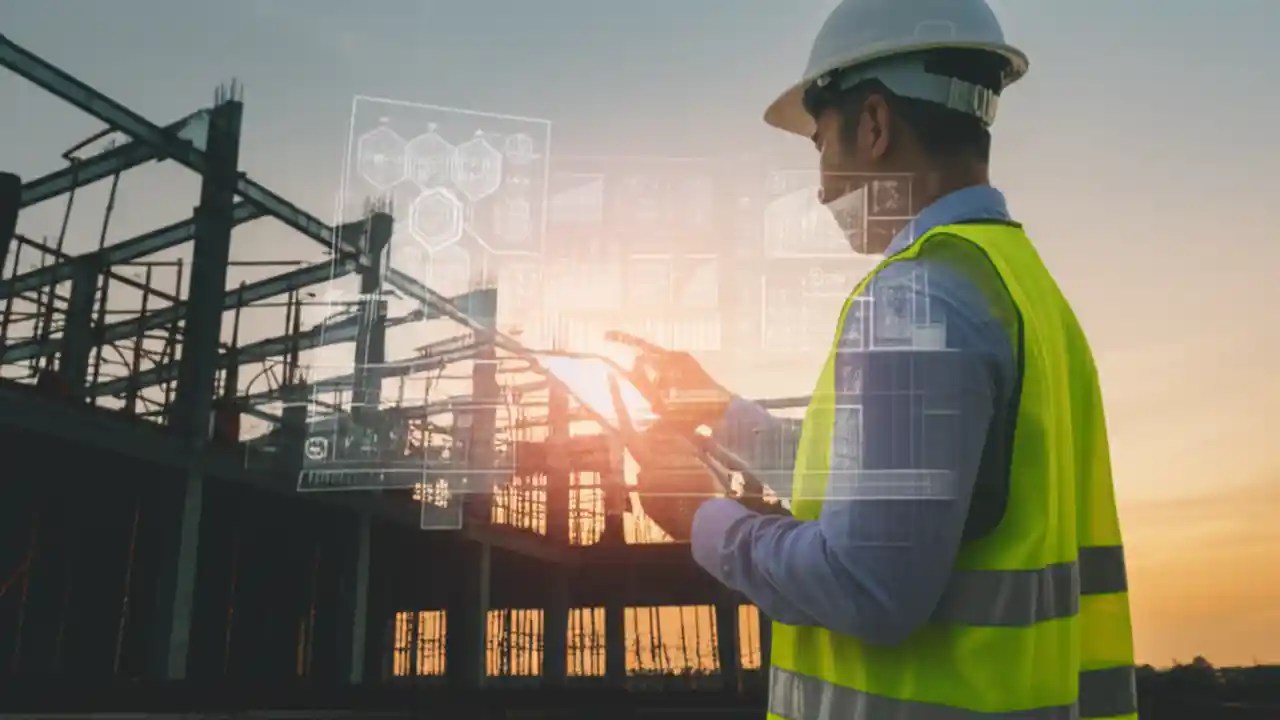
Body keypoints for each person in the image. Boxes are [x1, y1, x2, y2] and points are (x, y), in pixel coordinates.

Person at [618, 1, 1138, 718]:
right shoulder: (1017, 287)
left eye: (822, 145)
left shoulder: (912, 297)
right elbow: (891, 489)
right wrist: (714, 410)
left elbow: (869, 582)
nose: (824, 186)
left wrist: (701, 515)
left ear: (873, 124)